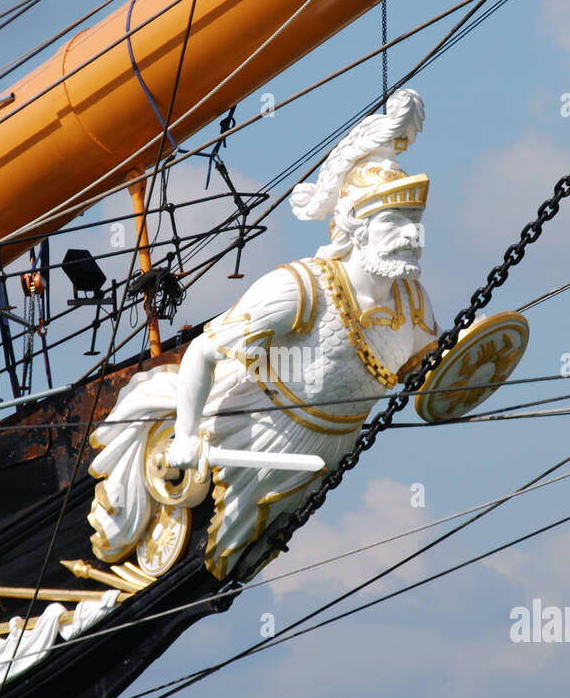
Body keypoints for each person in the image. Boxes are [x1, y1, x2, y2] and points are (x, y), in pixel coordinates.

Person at [88, 89, 440, 580]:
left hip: (320, 464)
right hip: (248, 446)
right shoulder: (301, 290)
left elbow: (435, 379)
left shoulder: (413, 305)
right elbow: (203, 354)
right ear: (354, 227)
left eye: (414, 220)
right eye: (394, 220)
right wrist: (187, 436)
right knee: (206, 563)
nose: (410, 233)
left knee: (233, 570)